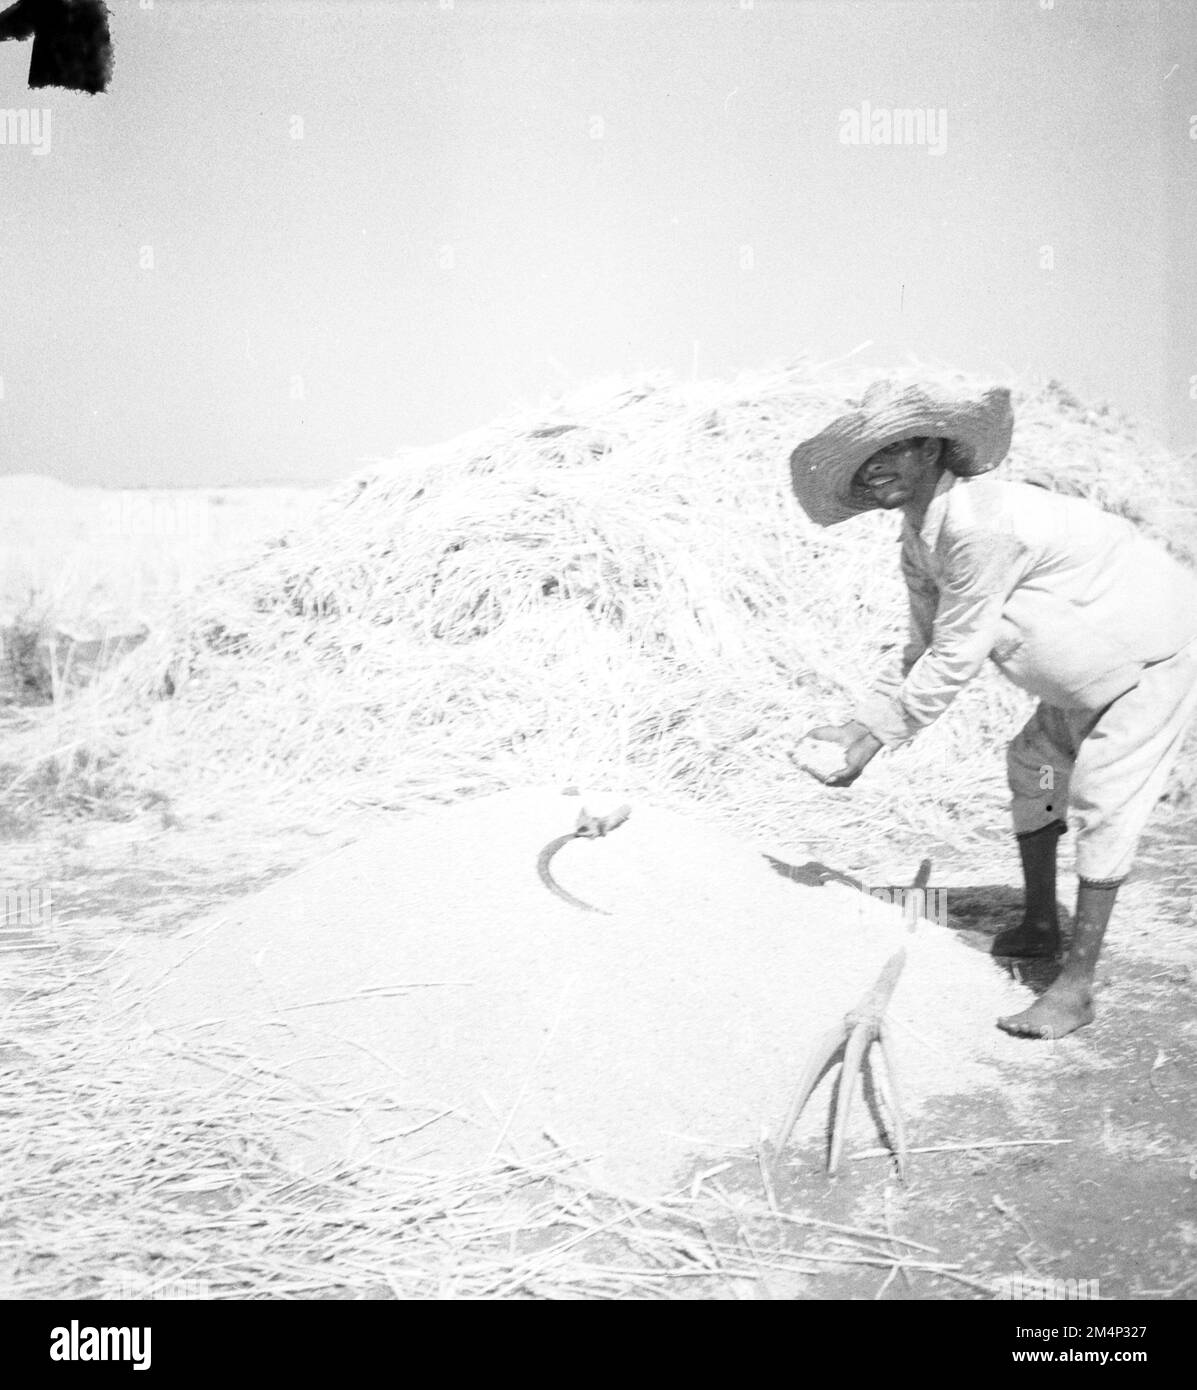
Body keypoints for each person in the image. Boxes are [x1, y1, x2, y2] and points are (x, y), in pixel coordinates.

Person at [788, 379, 1197, 1039]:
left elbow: (956, 654)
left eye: (893, 450)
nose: (877, 470)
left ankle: (1075, 987)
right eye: (865, 461)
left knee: (1100, 799)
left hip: (1147, 665)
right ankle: (1039, 923)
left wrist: (871, 741)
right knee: (1032, 768)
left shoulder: (982, 526)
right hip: (1082, 683)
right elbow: (922, 647)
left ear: (932, 450)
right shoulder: (921, 540)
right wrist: (862, 724)